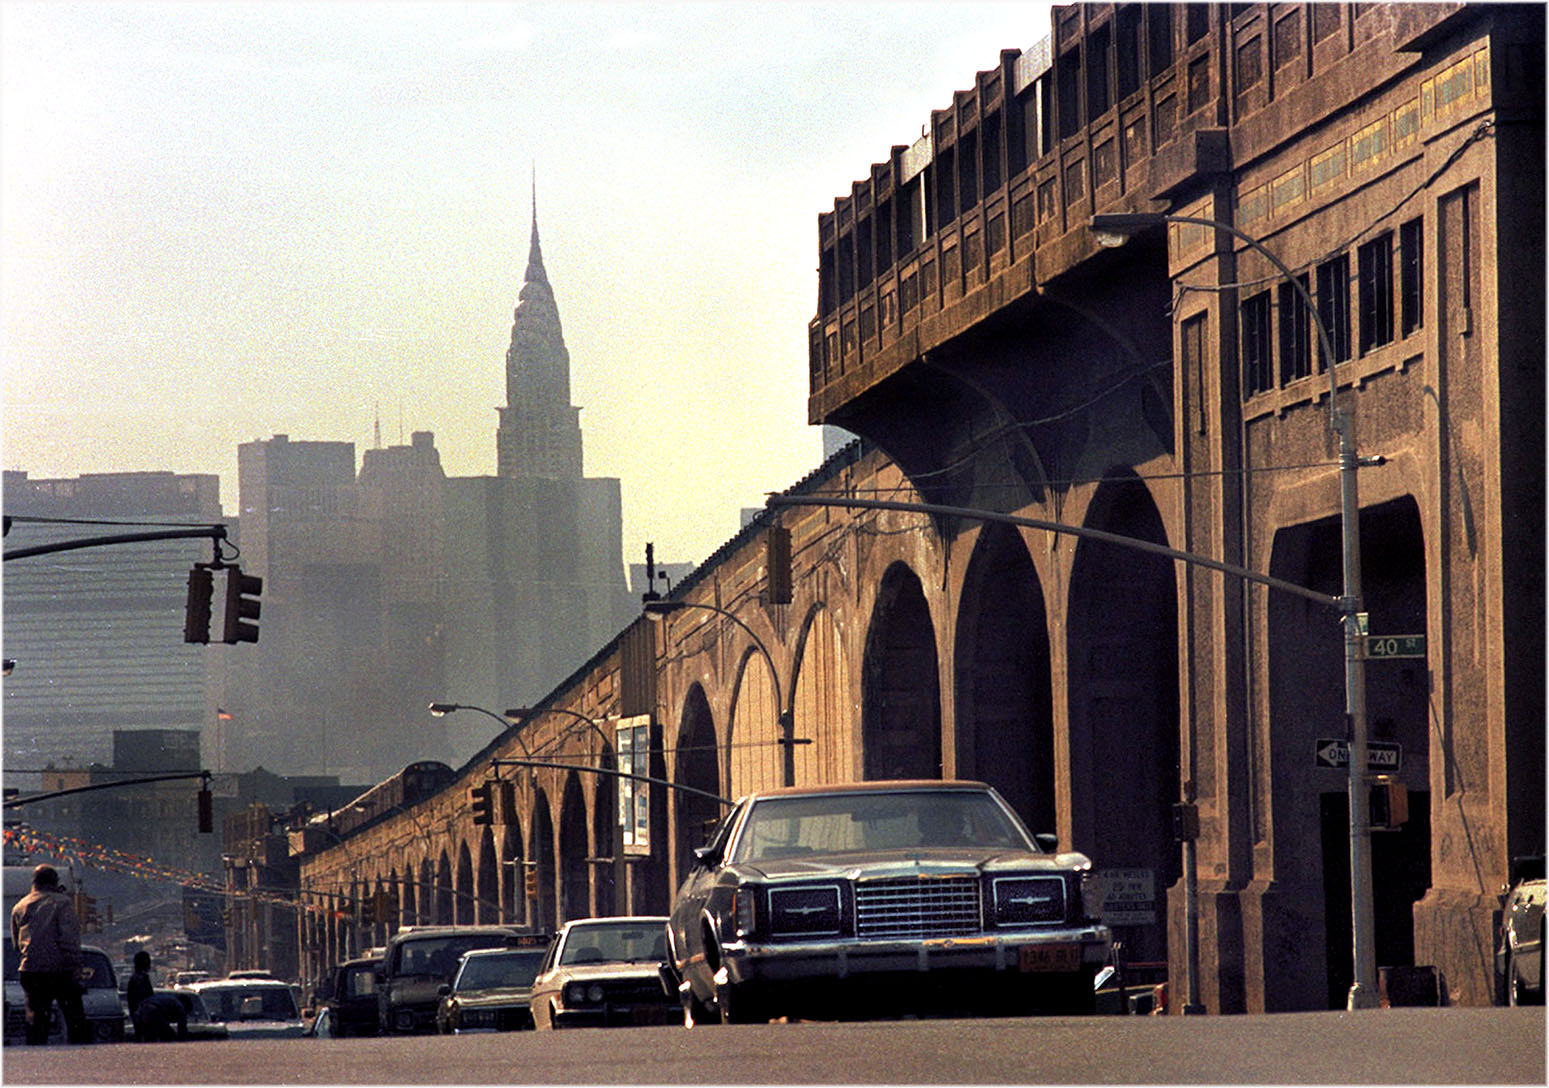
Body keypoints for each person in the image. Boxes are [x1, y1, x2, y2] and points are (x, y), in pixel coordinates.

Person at [8, 864, 88, 1045]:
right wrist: (76, 965)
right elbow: (69, 937)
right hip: (59, 968)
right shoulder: (62, 903)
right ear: (55, 882)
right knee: (74, 1017)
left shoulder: (19, 906)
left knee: (36, 1019)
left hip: (30, 970)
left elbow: (16, 944)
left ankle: (36, 1053)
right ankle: (81, 1052)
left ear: (34, 882)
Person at [126, 951, 186, 1042]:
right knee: (167, 1037)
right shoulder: (140, 979)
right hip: (147, 1012)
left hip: (142, 1014)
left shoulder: (137, 978)